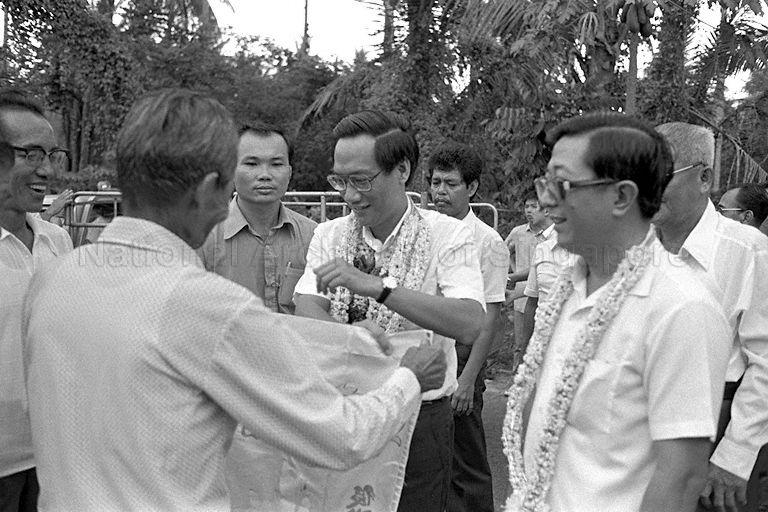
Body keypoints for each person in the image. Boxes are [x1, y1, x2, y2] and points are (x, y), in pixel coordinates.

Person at [22, 89, 448, 512]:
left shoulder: (52, 279)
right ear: (211, 188)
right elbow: (342, 438)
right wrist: (409, 376)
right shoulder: (209, 306)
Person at [504, 112, 731, 512]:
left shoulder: (681, 306)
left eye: (563, 184)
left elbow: (680, 477)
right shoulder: (569, 288)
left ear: (623, 196)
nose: (546, 200)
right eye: (545, 183)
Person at [294, 110, 485, 512]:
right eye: (340, 181)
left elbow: (469, 322)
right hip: (346, 413)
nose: (350, 196)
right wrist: (352, 337)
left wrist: (380, 289)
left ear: (402, 171)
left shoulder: (448, 234)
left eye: (362, 180)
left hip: (420, 417)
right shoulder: (330, 234)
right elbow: (307, 304)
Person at [654, 122, 768, 512]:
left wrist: (735, 456)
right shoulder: (633, 250)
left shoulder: (748, 251)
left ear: (704, 178)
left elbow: (765, 362)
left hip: (714, 432)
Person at [0, 89, 72, 512]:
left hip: (52, 457)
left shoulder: (57, 240)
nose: (46, 169)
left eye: (51, 155)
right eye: (31, 154)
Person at [427, 142, 509, 512]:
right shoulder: (424, 230)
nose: (440, 192)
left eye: (451, 184)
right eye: (435, 183)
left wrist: (467, 379)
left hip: (462, 359)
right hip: (427, 355)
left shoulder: (488, 242)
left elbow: (490, 316)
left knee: (467, 463)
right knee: (430, 458)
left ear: (472, 188)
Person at [199, 121, 316, 314]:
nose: (265, 175)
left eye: (276, 164)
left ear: (289, 172)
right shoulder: (203, 237)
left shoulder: (312, 236)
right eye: (252, 164)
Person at [521, 219, 578, 345]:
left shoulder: (599, 255)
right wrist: (524, 348)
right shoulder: (542, 249)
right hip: (543, 339)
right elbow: (532, 301)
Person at [504, 193, 551, 346]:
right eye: (526, 207)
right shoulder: (518, 232)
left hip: (544, 298)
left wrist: (514, 276)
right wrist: (514, 270)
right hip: (521, 297)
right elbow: (503, 253)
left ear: (546, 210)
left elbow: (538, 269)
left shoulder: (553, 236)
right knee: (520, 345)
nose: (529, 211)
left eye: (533, 206)